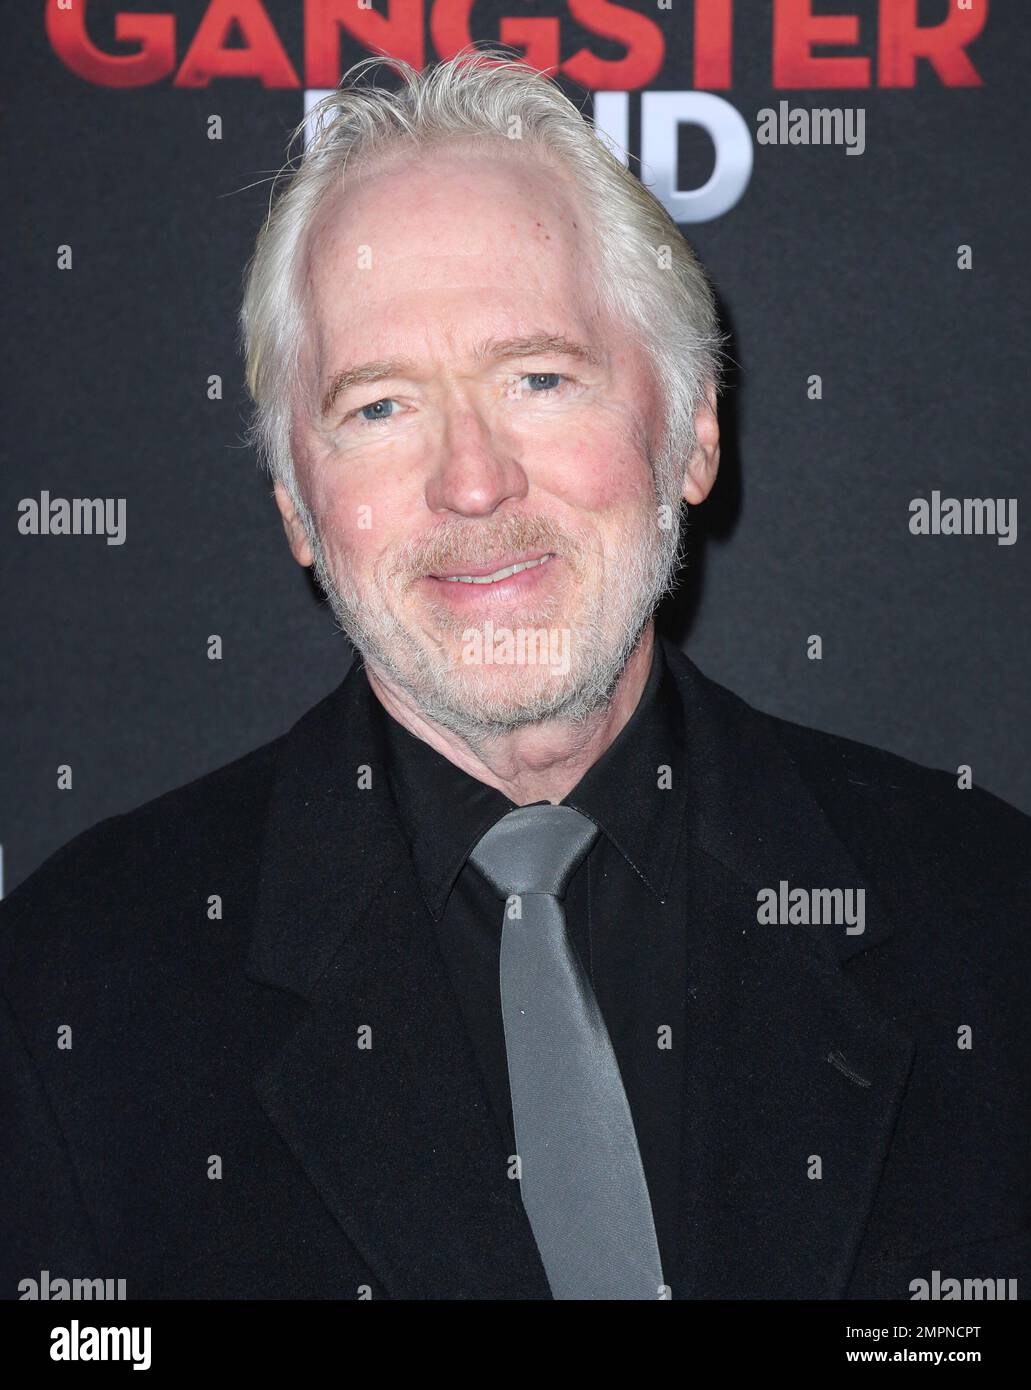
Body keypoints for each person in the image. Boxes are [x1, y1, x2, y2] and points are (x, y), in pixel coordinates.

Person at [2, 49, 1029, 1302]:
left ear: (691, 432)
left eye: (538, 379)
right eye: (379, 407)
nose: (472, 481)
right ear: (297, 508)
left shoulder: (984, 919)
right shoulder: (73, 999)